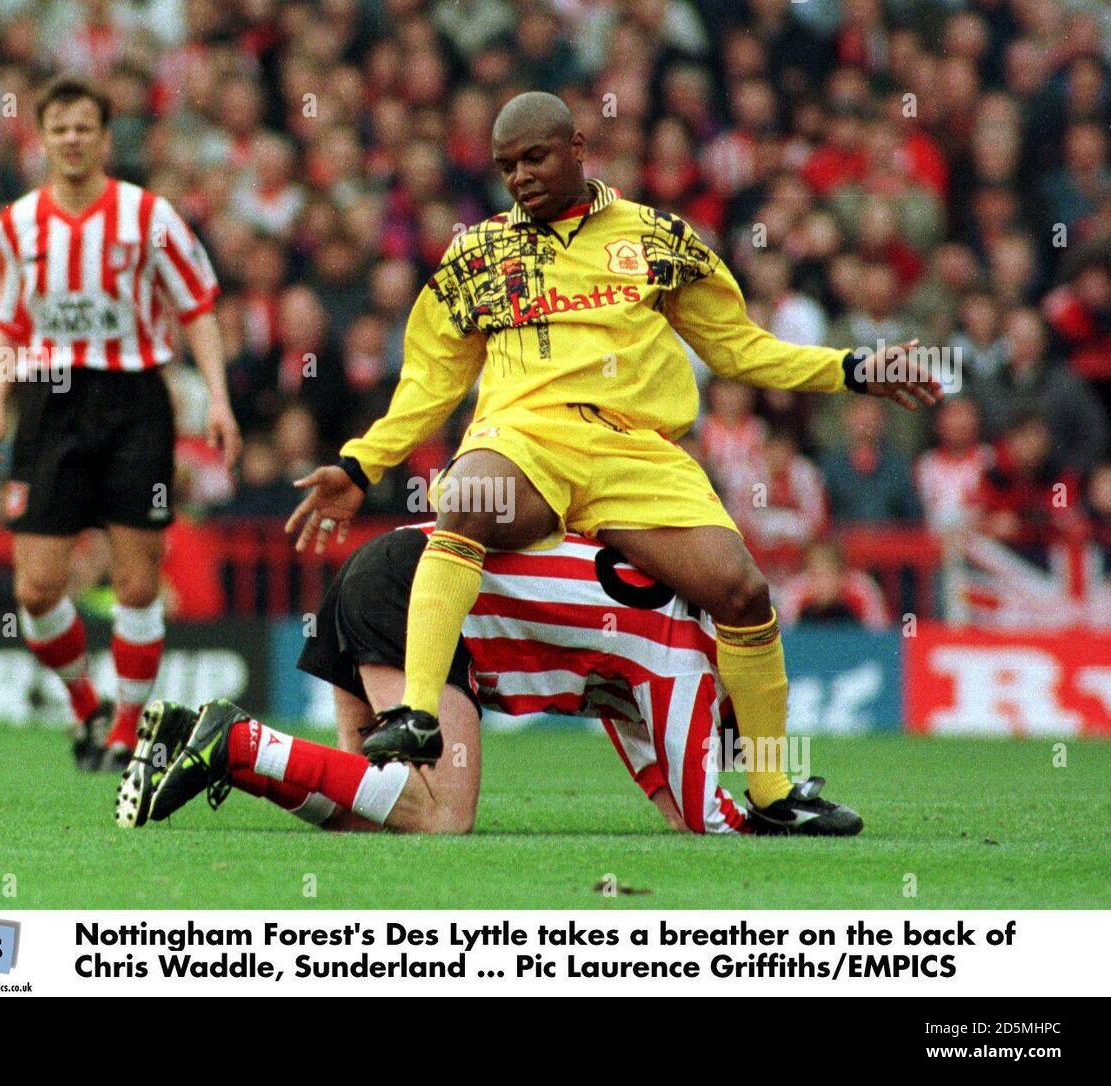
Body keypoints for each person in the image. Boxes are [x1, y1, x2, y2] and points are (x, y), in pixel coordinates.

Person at [285, 91, 937, 825]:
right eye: (506, 166)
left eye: (535, 157)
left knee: (743, 591)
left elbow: (738, 346)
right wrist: (360, 465)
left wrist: (850, 368)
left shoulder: (659, 239)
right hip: (526, 436)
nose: (521, 177)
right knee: (463, 501)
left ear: (577, 146)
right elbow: (431, 381)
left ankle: (774, 792)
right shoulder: (478, 255)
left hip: (636, 453)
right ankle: (418, 714)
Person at [119, 526, 861, 837]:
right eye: (733, 738)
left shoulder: (663, 625)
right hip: (416, 591)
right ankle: (239, 741)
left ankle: (209, 742)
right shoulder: (682, 656)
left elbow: (666, 785)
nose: (723, 743)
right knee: (443, 817)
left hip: (395, 565)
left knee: (375, 812)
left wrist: (706, 802)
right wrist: (774, 818)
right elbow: (705, 815)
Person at [0, 77, 243, 770]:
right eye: (58, 127)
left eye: (84, 127)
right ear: (42, 135)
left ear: (104, 136)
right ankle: (85, 702)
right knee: (35, 587)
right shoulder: (16, 225)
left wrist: (217, 398)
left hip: (134, 403)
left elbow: (198, 308)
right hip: (49, 403)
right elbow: (5, 324)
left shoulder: (149, 217)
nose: (71, 138)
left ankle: (127, 729)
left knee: (137, 583)